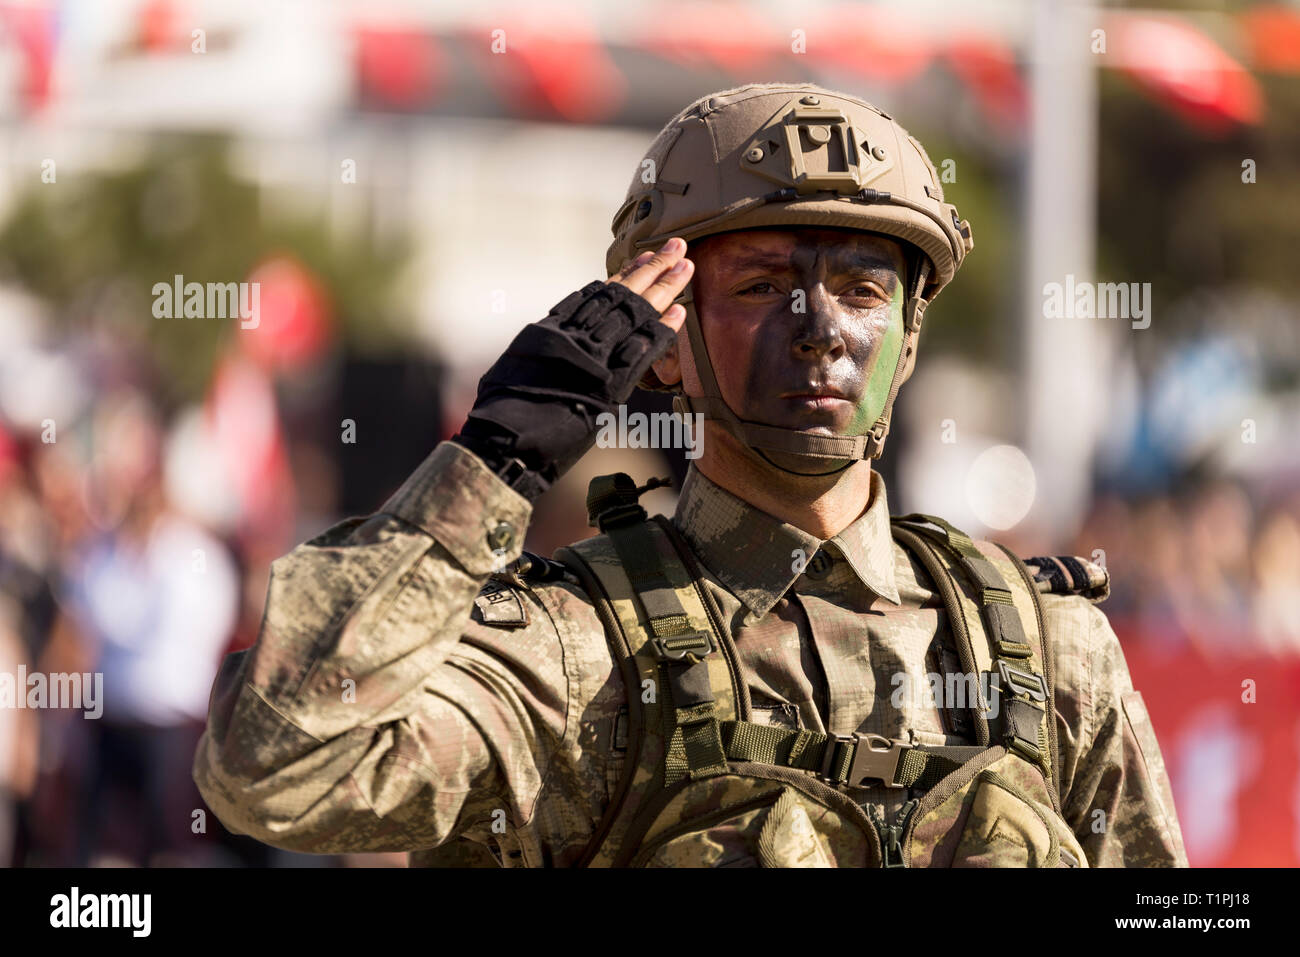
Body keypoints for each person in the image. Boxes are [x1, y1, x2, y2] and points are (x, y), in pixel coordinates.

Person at [193, 83, 1187, 867]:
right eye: (761, 287)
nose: (819, 333)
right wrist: (492, 459)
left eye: (861, 290)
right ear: (665, 339)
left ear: (910, 339)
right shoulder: (569, 655)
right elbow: (271, 768)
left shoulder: (1048, 653)